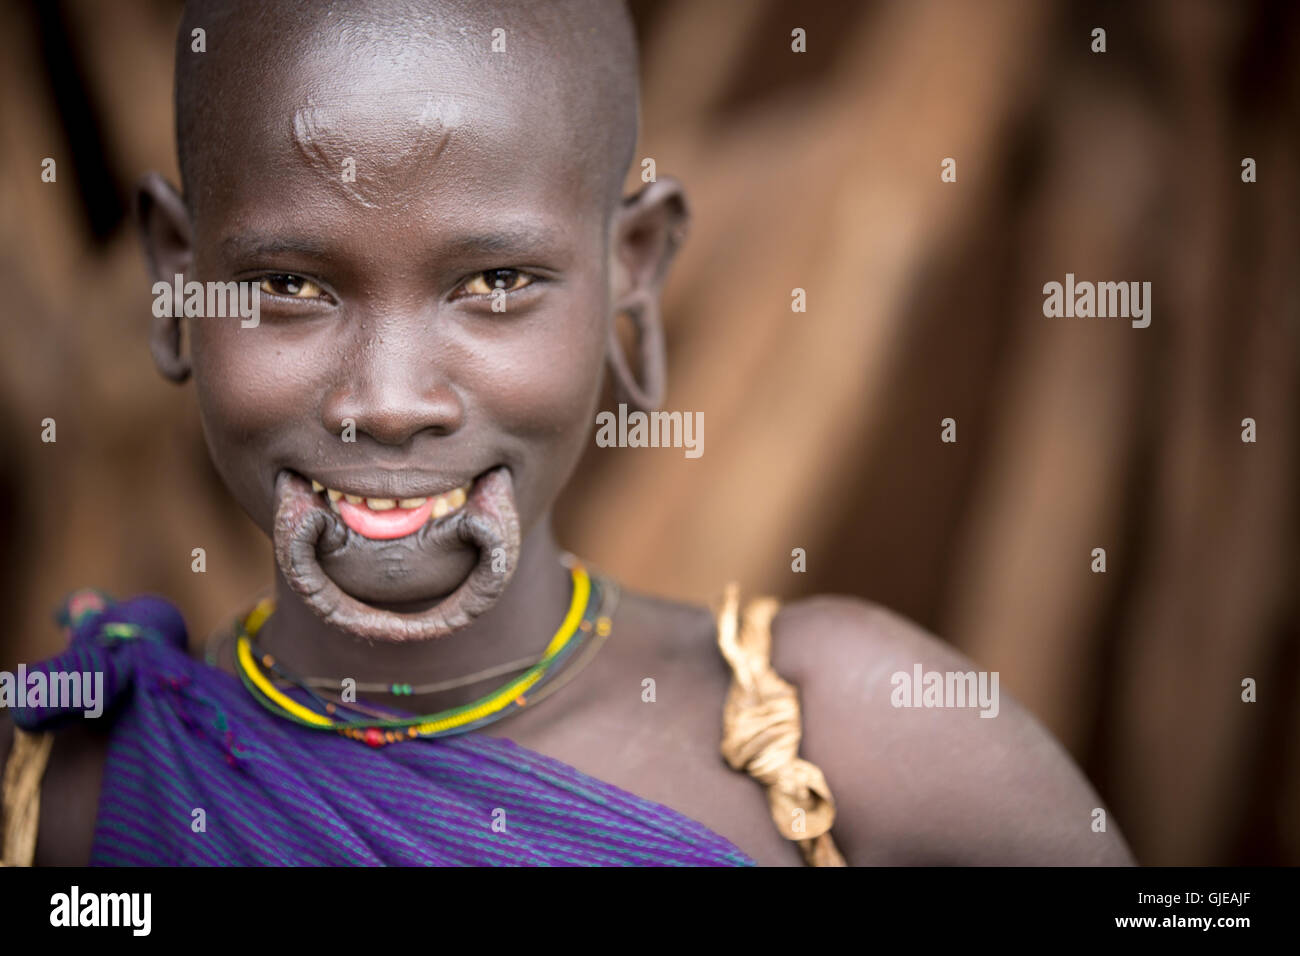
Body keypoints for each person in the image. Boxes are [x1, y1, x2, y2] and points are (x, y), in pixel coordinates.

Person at [0, 0, 1133, 866]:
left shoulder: (850, 738)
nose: (390, 400)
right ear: (178, 284)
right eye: (292, 285)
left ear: (630, 280)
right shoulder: (77, 796)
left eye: (495, 281)